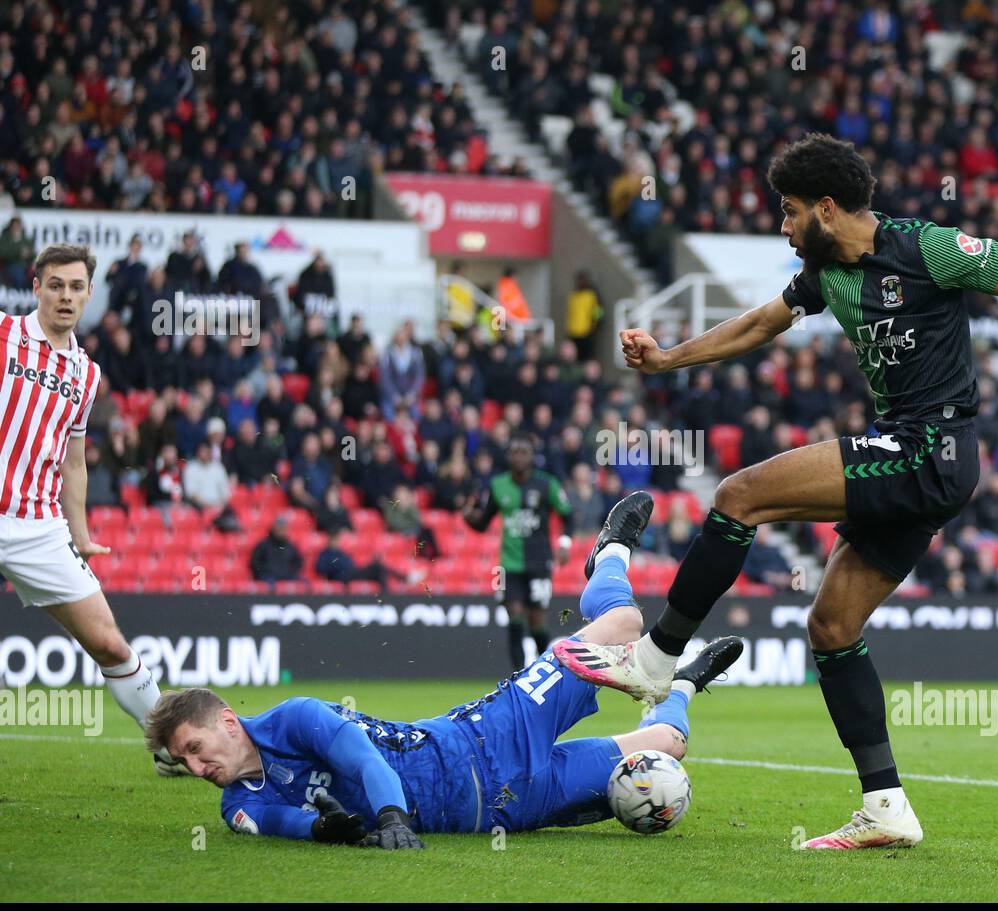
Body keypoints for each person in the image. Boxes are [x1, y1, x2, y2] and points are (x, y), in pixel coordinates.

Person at [550, 133, 998, 850]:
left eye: (790, 210)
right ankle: (886, 807)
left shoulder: (927, 248)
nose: (783, 225)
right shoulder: (825, 273)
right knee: (832, 628)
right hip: (913, 458)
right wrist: (666, 360)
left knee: (739, 495)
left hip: (929, 448)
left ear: (827, 209)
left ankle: (655, 659)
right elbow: (757, 324)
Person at [144, 494, 743, 845]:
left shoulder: (295, 718)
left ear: (227, 721)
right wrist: (332, 831)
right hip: (512, 806)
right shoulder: (237, 808)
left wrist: (389, 814)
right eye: (184, 761)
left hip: (487, 737)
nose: (196, 767)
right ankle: (683, 683)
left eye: (194, 747)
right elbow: (285, 823)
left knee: (625, 625)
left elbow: (362, 759)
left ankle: (608, 554)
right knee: (668, 747)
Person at [0, 243, 178, 774]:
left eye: (76, 287)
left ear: (89, 293)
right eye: (55, 285)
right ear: (36, 287)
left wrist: (78, 534)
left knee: (110, 643)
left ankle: (168, 747)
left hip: (38, 525)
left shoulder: (86, 373)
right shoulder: (4, 333)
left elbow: (74, 462)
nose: (65, 296)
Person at [464, 434, 573, 672]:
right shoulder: (497, 485)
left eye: (524, 452)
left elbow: (568, 515)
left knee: (537, 621)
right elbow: (482, 523)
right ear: (508, 456)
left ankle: (550, 671)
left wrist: (564, 544)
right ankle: (517, 675)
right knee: (513, 615)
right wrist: (469, 517)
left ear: (532, 456)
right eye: (515, 452)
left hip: (540, 562)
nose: (519, 457)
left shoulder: (547, 484)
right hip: (507, 565)